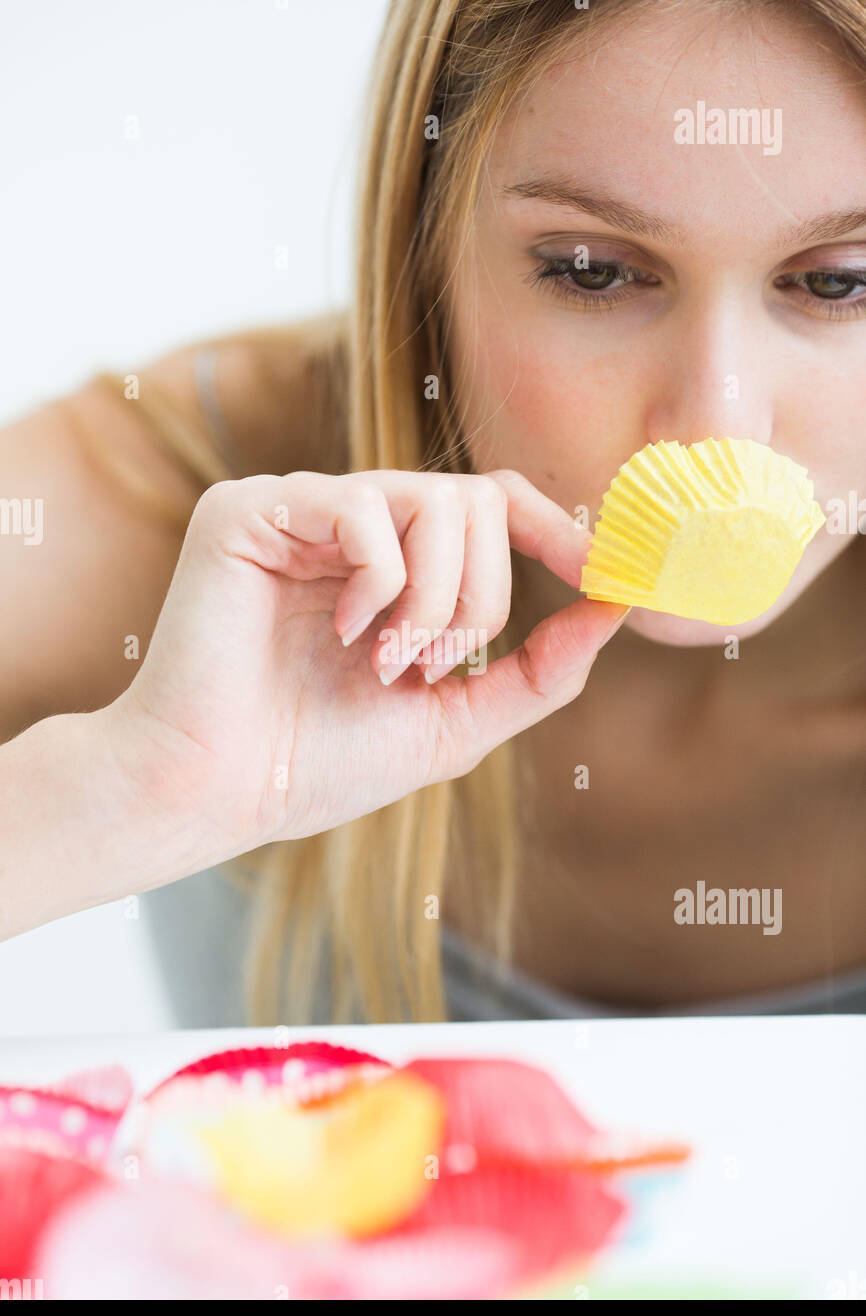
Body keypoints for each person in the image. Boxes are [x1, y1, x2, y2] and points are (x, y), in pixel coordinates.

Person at [2, 0, 866, 1027]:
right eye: (590, 271)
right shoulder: (178, 510)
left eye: (837, 282)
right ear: (424, 246)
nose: (716, 423)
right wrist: (123, 793)